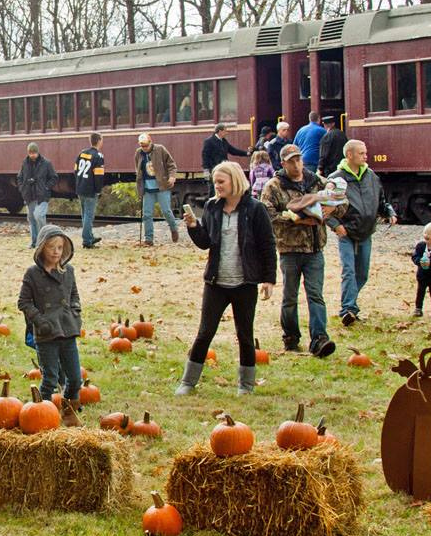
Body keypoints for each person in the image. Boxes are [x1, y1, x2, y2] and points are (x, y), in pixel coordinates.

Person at [175, 161, 276, 396]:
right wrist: (192, 227)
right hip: (216, 283)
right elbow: (205, 243)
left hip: (245, 282)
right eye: (215, 182)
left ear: (235, 181)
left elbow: (267, 245)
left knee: (245, 334)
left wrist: (269, 279)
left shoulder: (255, 209)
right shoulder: (212, 207)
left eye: (221, 182)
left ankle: (246, 384)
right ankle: (188, 382)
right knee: (205, 332)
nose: (217, 186)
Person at [260, 144, 345, 356]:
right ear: (283, 163)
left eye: (298, 159)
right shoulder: (274, 186)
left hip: (315, 249)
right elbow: (267, 216)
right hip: (289, 249)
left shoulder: (317, 182)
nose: (296, 164)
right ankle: (290, 335)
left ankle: (319, 338)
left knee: (315, 295)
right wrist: (297, 221)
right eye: (291, 161)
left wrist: (331, 209)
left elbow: (342, 202)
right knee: (290, 296)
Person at [326, 139, 398, 326]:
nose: (366, 156)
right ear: (349, 155)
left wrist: (389, 212)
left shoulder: (372, 177)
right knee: (348, 271)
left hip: (366, 232)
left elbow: (381, 201)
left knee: (362, 274)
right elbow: (324, 207)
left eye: (365, 153)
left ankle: (349, 305)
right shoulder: (336, 179)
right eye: (361, 153)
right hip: (346, 233)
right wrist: (335, 225)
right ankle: (348, 309)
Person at [18, 224, 83, 426]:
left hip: (67, 329)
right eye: (51, 247)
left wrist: (76, 312)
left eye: (60, 247)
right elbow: (24, 302)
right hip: (46, 333)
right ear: (41, 248)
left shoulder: (68, 271)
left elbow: (74, 294)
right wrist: (39, 321)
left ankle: (69, 412)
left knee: (74, 377)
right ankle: (42, 414)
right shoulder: (33, 274)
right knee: (50, 377)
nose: (56, 252)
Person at [134, 133, 180, 245]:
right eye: (142, 146)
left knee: (166, 211)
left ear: (151, 142)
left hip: (162, 186)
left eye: (146, 145)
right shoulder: (138, 153)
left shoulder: (160, 149)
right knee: (147, 214)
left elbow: (171, 164)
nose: (144, 148)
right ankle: (148, 239)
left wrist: (172, 177)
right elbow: (138, 168)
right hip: (147, 188)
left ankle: (174, 228)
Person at [17, 142, 56, 248]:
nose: (32, 155)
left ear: (38, 152)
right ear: (28, 153)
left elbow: (54, 177)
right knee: (31, 218)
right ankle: (34, 242)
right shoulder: (24, 163)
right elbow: (20, 177)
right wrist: (22, 188)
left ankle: (44, 240)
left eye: (34, 152)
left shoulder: (46, 163)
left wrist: (46, 187)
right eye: (30, 153)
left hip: (42, 195)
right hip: (29, 195)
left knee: (39, 216)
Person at [74, 132, 105, 249]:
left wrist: (78, 183)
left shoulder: (82, 153)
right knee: (89, 215)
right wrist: (98, 190)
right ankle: (87, 240)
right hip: (90, 189)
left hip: (80, 187)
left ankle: (89, 236)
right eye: (102, 140)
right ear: (99, 141)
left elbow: (76, 171)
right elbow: (98, 175)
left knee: (84, 215)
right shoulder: (98, 156)